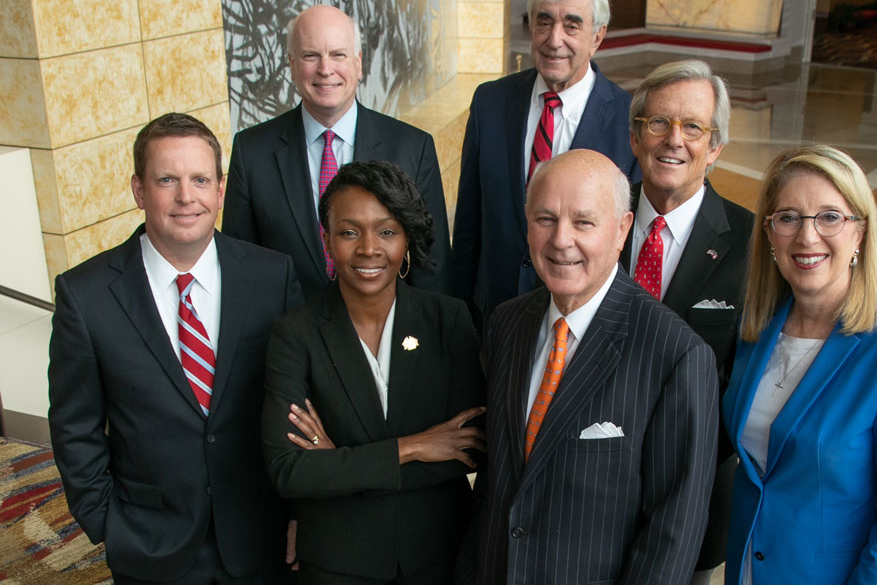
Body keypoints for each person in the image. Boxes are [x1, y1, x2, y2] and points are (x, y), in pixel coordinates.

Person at [48, 113, 303, 584]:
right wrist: (106, 522)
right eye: (167, 180)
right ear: (139, 190)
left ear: (221, 190)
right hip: (149, 546)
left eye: (200, 179)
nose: (186, 197)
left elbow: (295, 406)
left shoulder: (273, 277)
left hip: (261, 539)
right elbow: (74, 427)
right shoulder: (85, 296)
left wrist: (299, 513)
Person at [463, 149, 717, 584]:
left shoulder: (676, 354)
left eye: (583, 222)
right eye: (545, 219)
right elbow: (497, 484)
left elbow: (673, 531)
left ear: (622, 230)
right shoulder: (506, 323)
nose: (561, 240)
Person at [722, 145, 877, 584]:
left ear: (860, 233)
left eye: (830, 216)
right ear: (770, 233)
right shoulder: (758, 326)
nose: (807, 237)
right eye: (788, 218)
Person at [261, 160, 486, 584]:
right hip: (337, 563)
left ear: (405, 240)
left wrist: (338, 464)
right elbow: (289, 470)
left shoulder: (447, 320)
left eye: (387, 231)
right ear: (326, 240)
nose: (368, 248)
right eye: (349, 232)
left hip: (438, 556)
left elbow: (471, 447)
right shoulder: (294, 334)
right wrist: (414, 446)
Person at [621, 60, 753, 582]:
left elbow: (745, 384)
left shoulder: (751, 246)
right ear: (635, 136)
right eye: (658, 123)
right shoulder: (596, 219)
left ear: (714, 147)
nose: (673, 140)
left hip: (693, 503)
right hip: (590, 489)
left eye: (692, 127)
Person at [223, 4, 452, 301]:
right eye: (310, 55)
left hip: (386, 337)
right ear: (291, 65)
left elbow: (431, 267)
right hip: (288, 339)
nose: (325, 69)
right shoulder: (251, 152)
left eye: (338, 55)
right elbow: (239, 266)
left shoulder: (412, 147)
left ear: (358, 63)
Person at [452, 0, 640, 328]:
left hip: (582, 324)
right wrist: (457, 318)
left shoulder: (627, 120)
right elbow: (468, 226)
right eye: (543, 22)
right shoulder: (490, 103)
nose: (554, 39)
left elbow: (625, 243)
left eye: (572, 25)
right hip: (492, 318)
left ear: (597, 36)